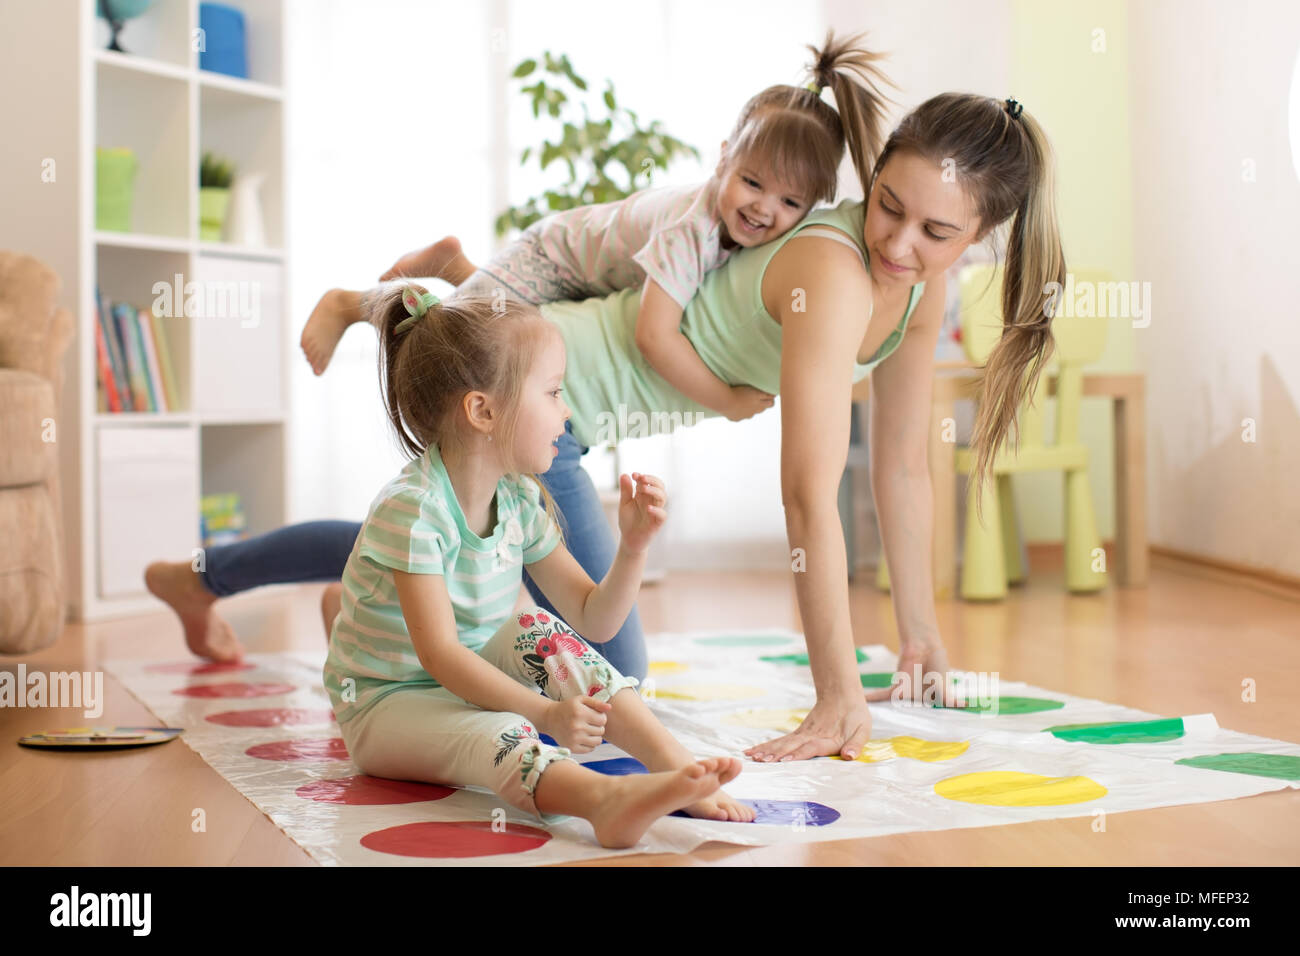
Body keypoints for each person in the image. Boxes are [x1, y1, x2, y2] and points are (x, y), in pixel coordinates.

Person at [148, 37, 1065, 765]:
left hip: (573, 400)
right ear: (878, 174)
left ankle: (230, 580)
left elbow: (903, 465)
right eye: (888, 204)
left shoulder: (918, 284)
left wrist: (920, 638)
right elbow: (806, 494)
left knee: (460, 559)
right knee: (602, 673)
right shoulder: (832, 269)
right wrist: (836, 693)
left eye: (937, 231)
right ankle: (275, 583)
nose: (900, 241)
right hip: (554, 404)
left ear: (982, 235)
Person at [324, 282, 753, 847]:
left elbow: (592, 621)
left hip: (471, 675)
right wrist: (543, 716)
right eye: (553, 392)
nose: (566, 410)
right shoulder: (414, 510)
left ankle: (674, 764)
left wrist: (633, 548)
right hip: (388, 703)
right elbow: (442, 656)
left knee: (537, 629)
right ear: (483, 410)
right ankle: (602, 802)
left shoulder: (520, 500)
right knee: (499, 731)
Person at [300, 32, 891, 435]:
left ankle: (459, 266)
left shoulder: (770, 232)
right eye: (752, 183)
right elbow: (654, 338)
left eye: (790, 202)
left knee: (495, 320)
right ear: (722, 160)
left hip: (585, 277)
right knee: (456, 340)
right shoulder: (695, 232)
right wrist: (729, 402)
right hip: (555, 259)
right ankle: (354, 303)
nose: (764, 209)